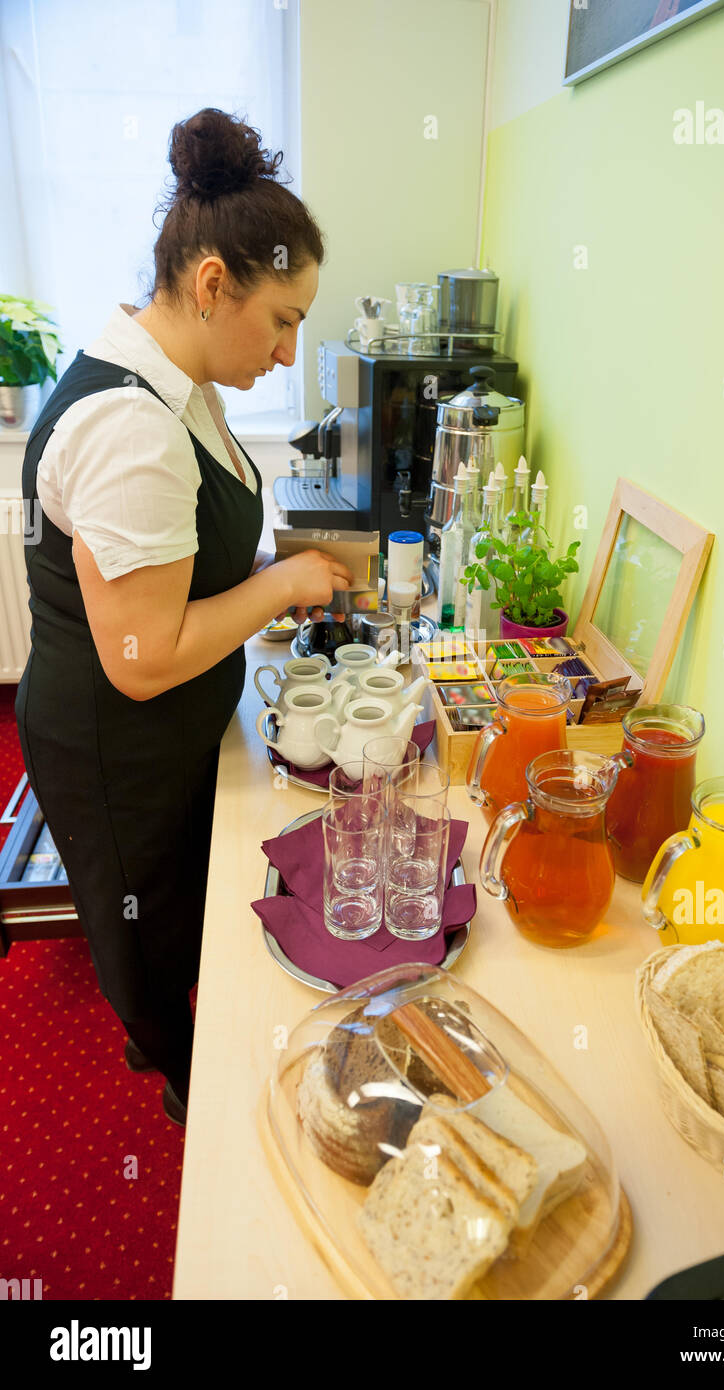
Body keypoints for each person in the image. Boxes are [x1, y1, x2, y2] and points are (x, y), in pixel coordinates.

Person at [14, 108, 351, 1126]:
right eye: (283, 319)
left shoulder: (183, 380)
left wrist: (260, 567)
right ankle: (181, 1083)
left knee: (182, 910)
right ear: (213, 285)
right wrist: (283, 587)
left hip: (163, 729)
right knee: (149, 947)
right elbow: (140, 653)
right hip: (115, 741)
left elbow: (181, 550)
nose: (290, 351)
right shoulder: (131, 427)